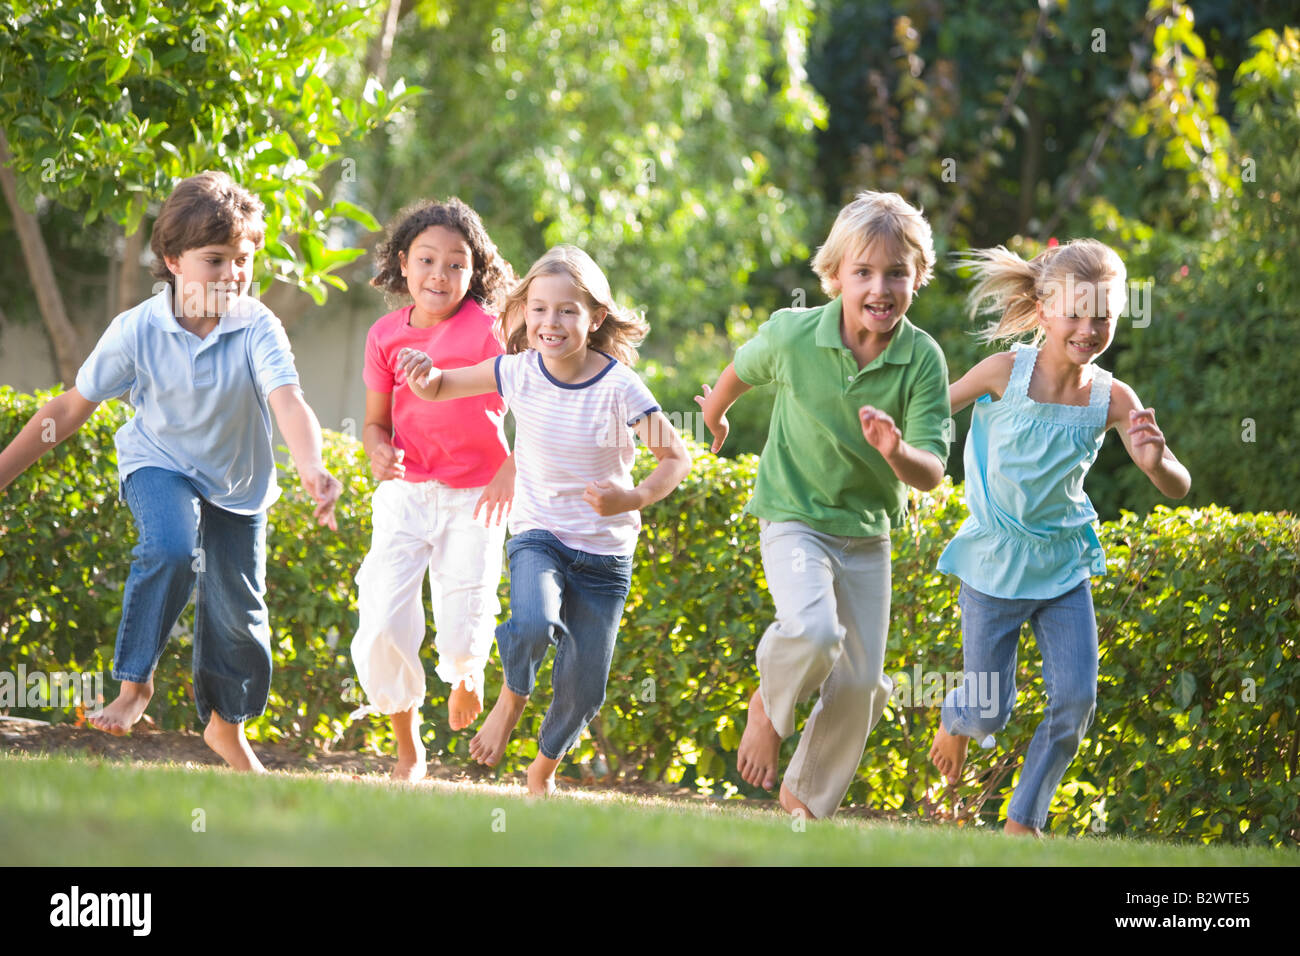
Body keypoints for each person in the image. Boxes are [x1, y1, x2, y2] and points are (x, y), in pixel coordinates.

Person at [0, 171, 341, 772]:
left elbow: (289, 400)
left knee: (241, 615)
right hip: (158, 465)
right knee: (172, 548)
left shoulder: (257, 324)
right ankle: (135, 686)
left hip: (238, 487)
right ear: (172, 259)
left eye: (244, 259)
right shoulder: (136, 330)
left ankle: (225, 729)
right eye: (217, 260)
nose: (234, 273)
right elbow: (67, 410)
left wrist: (311, 466)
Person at [394, 245, 691, 795]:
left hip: (605, 553)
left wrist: (632, 498)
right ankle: (511, 698)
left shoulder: (620, 387)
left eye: (567, 311)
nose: (549, 323)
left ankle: (542, 771)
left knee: (585, 686)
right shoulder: (518, 372)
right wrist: (421, 372)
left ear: (595, 317)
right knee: (532, 621)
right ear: (523, 312)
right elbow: (440, 386)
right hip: (540, 534)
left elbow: (676, 458)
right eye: (537, 309)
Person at [696, 191, 951, 819]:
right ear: (834, 275)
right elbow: (741, 369)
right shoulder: (794, 334)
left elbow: (933, 472)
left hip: (867, 535)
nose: (880, 287)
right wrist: (713, 412)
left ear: (918, 277)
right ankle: (769, 708)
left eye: (896, 272)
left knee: (863, 683)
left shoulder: (922, 360)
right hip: (793, 518)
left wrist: (894, 450)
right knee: (813, 630)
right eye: (863, 272)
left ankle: (804, 802)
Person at [928, 239, 1191, 835]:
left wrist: (1155, 463)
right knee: (991, 711)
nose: (1089, 327)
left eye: (1103, 315)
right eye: (1075, 312)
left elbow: (1178, 484)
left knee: (1075, 701)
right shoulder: (1004, 373)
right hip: (995, 564)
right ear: (1044, 310)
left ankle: (1024, 819)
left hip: (1063, 567)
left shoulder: (1113, 398)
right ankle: (958, 718)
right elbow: (933, 409)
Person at [349, 198, 516, 782]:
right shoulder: (384, 336)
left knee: (464, 610)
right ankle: (408, 747)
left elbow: (540, 403)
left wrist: (511, 468)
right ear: (404, 263)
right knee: (383, 618)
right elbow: (376, 422)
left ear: (475, 272)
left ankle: (466, 674)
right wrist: (375, 448)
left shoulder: (492, 330)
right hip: (408, 491)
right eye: (426, 261)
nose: (439, 276)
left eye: (456, 264)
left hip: (478, 495)